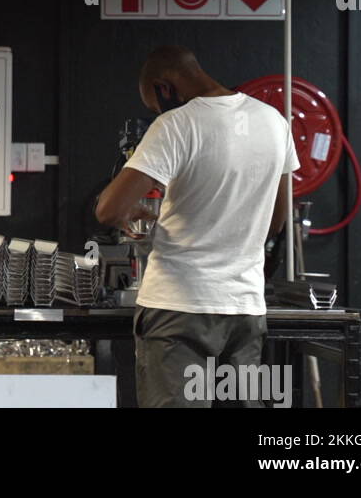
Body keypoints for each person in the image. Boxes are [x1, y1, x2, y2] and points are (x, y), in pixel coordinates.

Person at [95, 45, 300, 407]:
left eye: (154, 103)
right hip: (245, 310)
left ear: (164, 87)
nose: (157, 110)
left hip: (178, 310)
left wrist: (132, 216)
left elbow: (108, 210)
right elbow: (275, 221)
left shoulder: (176, 124)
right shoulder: (274, 122)